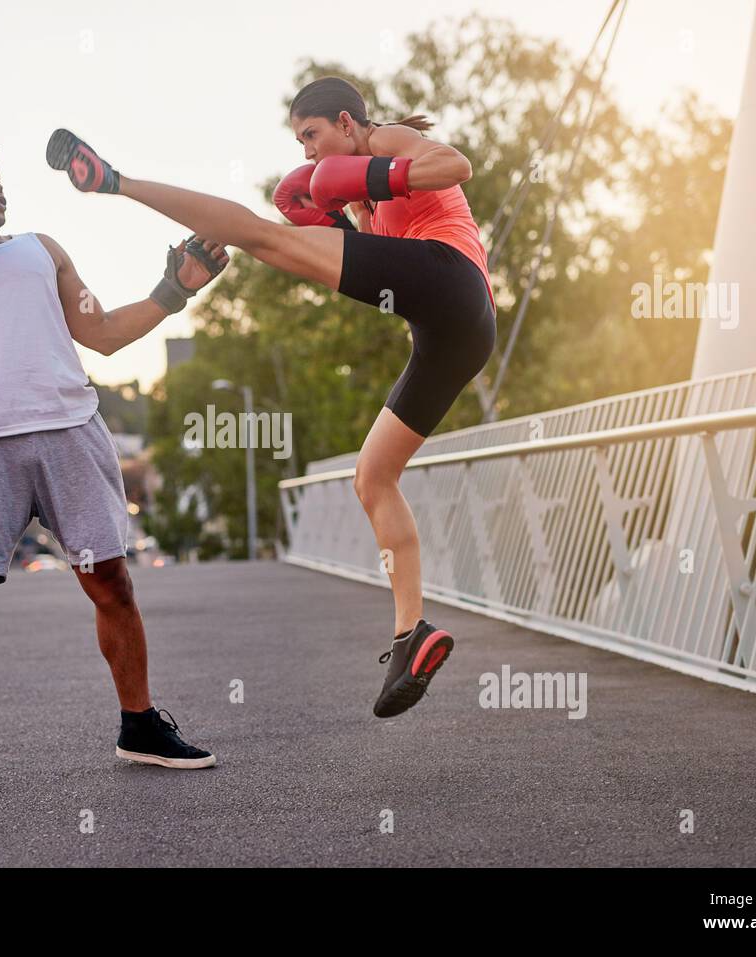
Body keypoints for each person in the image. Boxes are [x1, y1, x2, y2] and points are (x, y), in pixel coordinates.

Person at [47, 77, 496, 719]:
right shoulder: (364, 203)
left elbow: (458, 165)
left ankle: (114, 181)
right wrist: (345, 208)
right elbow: (361, 245)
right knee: (372, 478)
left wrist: (369, 174)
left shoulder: (386, 139)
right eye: (301, 144)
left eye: (312, 137)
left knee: (263, 236)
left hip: (453, 282)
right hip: (453, 332)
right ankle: (411, 632)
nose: (309, 154)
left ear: (347, 123)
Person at [0, 134, 228, 795]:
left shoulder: (41, 250)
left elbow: (104, 333)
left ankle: (139, 725)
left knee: (110, 580)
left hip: (68, 432)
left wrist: (174, 289)